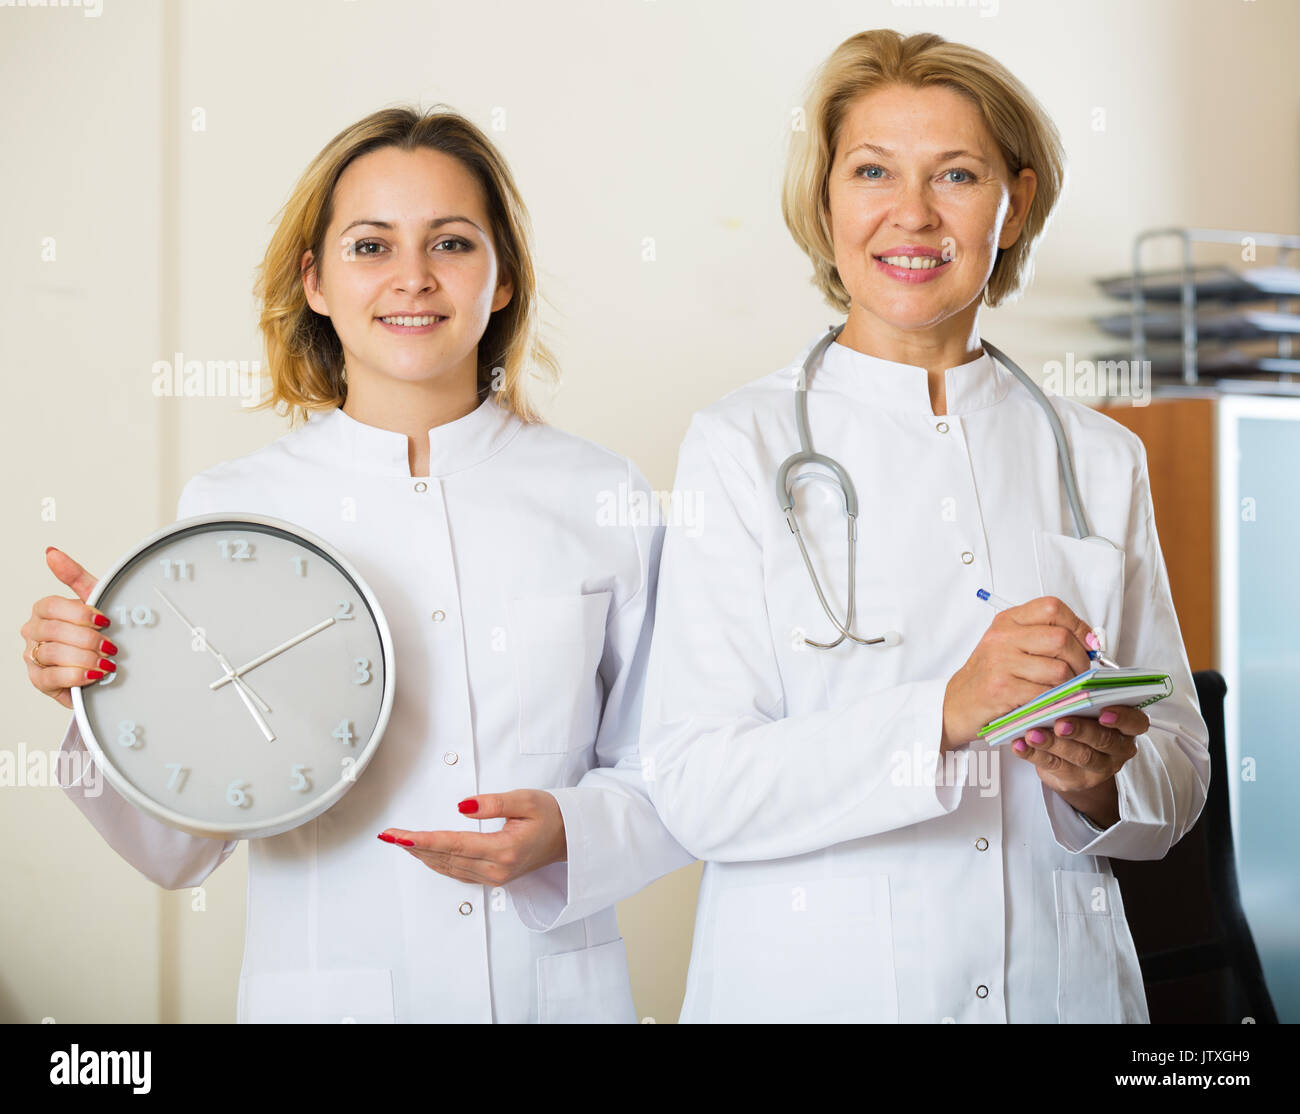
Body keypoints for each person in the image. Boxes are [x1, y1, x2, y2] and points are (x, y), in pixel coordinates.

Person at [21, 105, 691, 1023]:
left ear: (502, 277)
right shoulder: (234, 510)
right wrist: (103, 703)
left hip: (550, 995)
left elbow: (677, 765)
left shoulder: (600, 494)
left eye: (451, 242)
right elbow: (178, 853)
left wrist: (572, 833)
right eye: (371, 246)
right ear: (316, 282)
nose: (413, 277)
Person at [638, 29, 1210, 1024]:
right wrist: (945, 711)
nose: (912, 213)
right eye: (871, 171)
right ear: (825, 200)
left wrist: (1099, 787)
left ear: (1014, 202)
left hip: (1058, 991)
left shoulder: (1097, 455)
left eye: (956, 174)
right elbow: (697, 786)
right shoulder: (739, 444)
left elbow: (1180, 767)